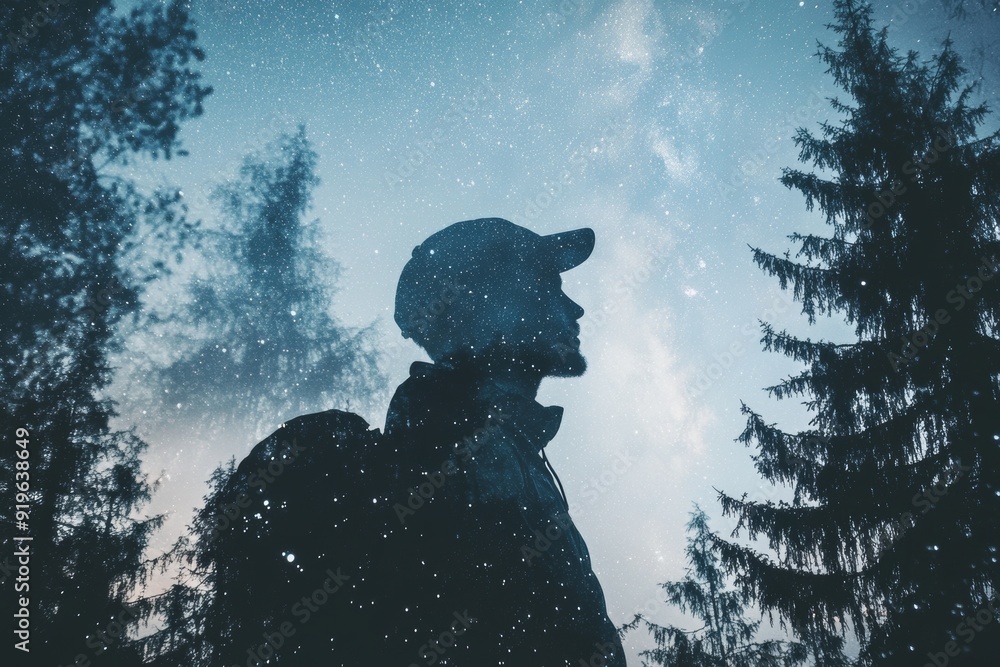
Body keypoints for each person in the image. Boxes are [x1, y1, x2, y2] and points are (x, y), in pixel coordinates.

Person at [380, 217, 626, 666]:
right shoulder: (449, 440)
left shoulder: (498, 440)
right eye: (547, 285)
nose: (574, 309)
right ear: (484, 303)